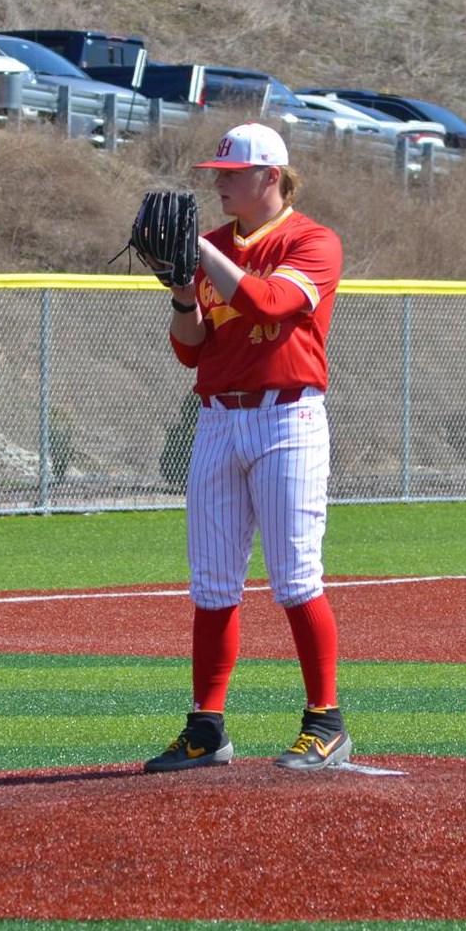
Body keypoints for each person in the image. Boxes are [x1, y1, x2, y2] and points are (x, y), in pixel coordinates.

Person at [142, 122, 351, 773]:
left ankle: (327, 723)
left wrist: (202, 260)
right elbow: (189, 350)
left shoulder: (312, 242)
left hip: (287, 420)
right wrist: (182, 293)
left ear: (269, 177)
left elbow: (266, 302)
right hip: (218, 420)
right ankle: (206, 728)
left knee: (294, 578)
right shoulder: (209, 246)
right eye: (216, 173)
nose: (219, 183)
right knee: (211, 585)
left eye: (230, 173)